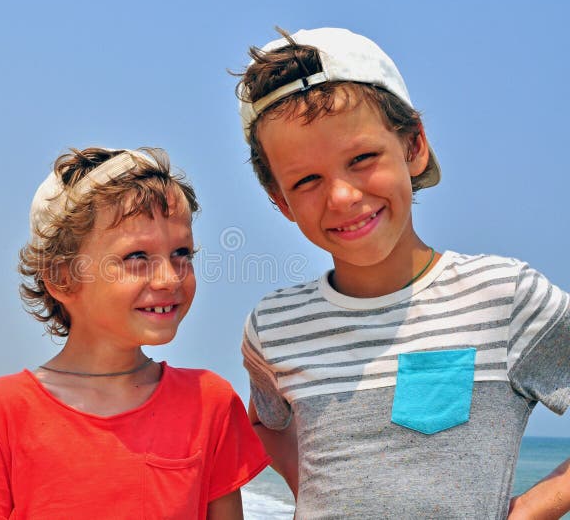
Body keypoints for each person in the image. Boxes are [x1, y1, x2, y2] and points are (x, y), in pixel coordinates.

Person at [235, 27, 570, 519]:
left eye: (362, 159)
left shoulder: (503, 296)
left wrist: (527, 512)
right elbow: (265, 425)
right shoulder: (273, 326)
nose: (343, 196)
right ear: (280, 201)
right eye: (307, 180)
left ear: (414, 147)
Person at [0, 147, 270, 519]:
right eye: (137, 257)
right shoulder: (1, 416)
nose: (170, 278)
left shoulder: (209, 404)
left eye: (181, 253)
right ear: (62, 278)